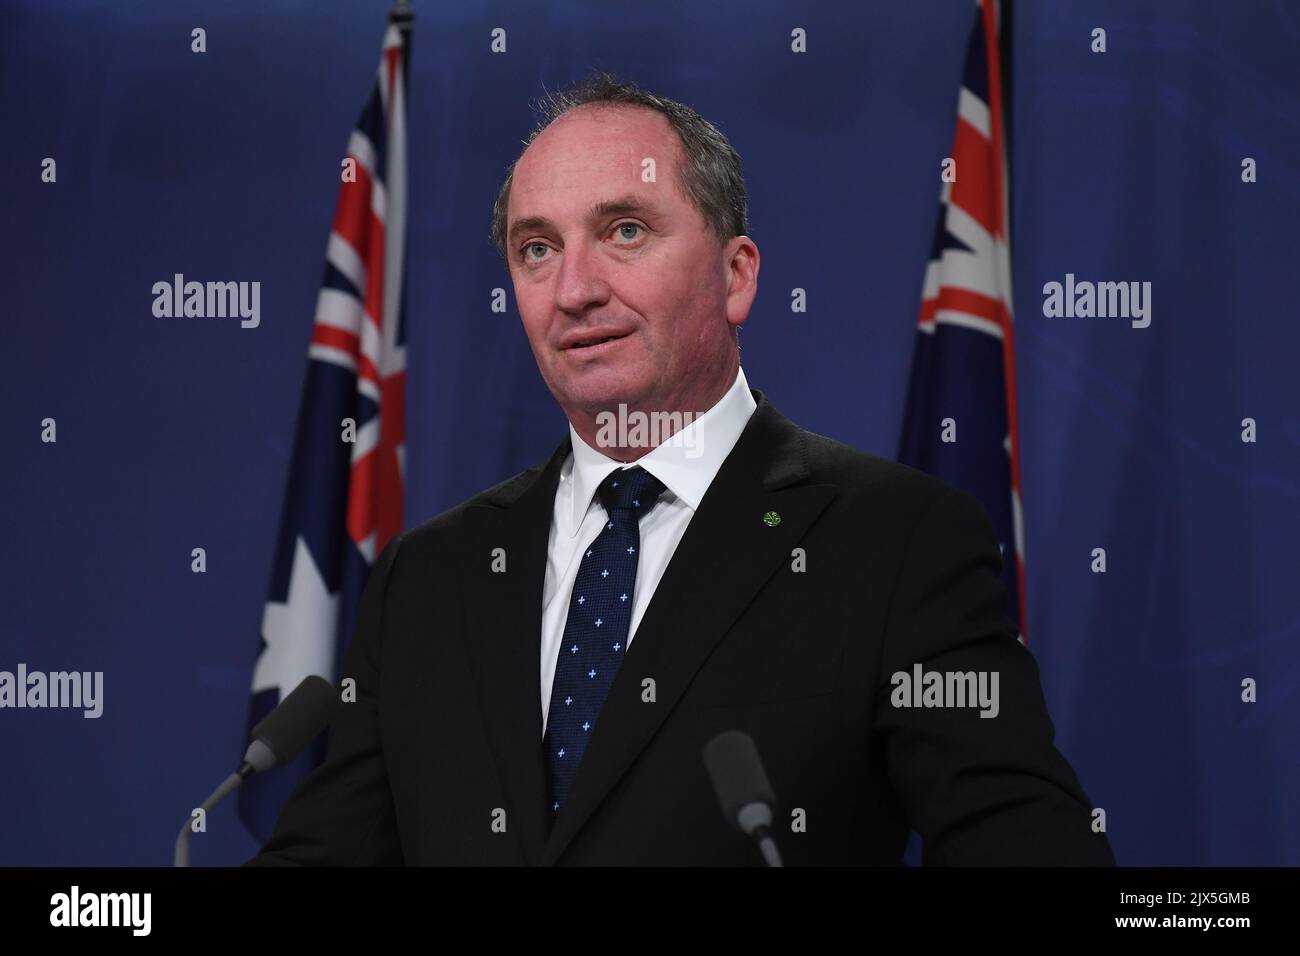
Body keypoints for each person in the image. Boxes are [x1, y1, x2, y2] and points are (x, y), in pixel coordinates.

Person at [248, 72, 1113, 866]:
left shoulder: (891, 543)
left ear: (736, 277)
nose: (575, 288)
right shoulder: (428, 578)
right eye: (536, 248)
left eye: (625, 230)